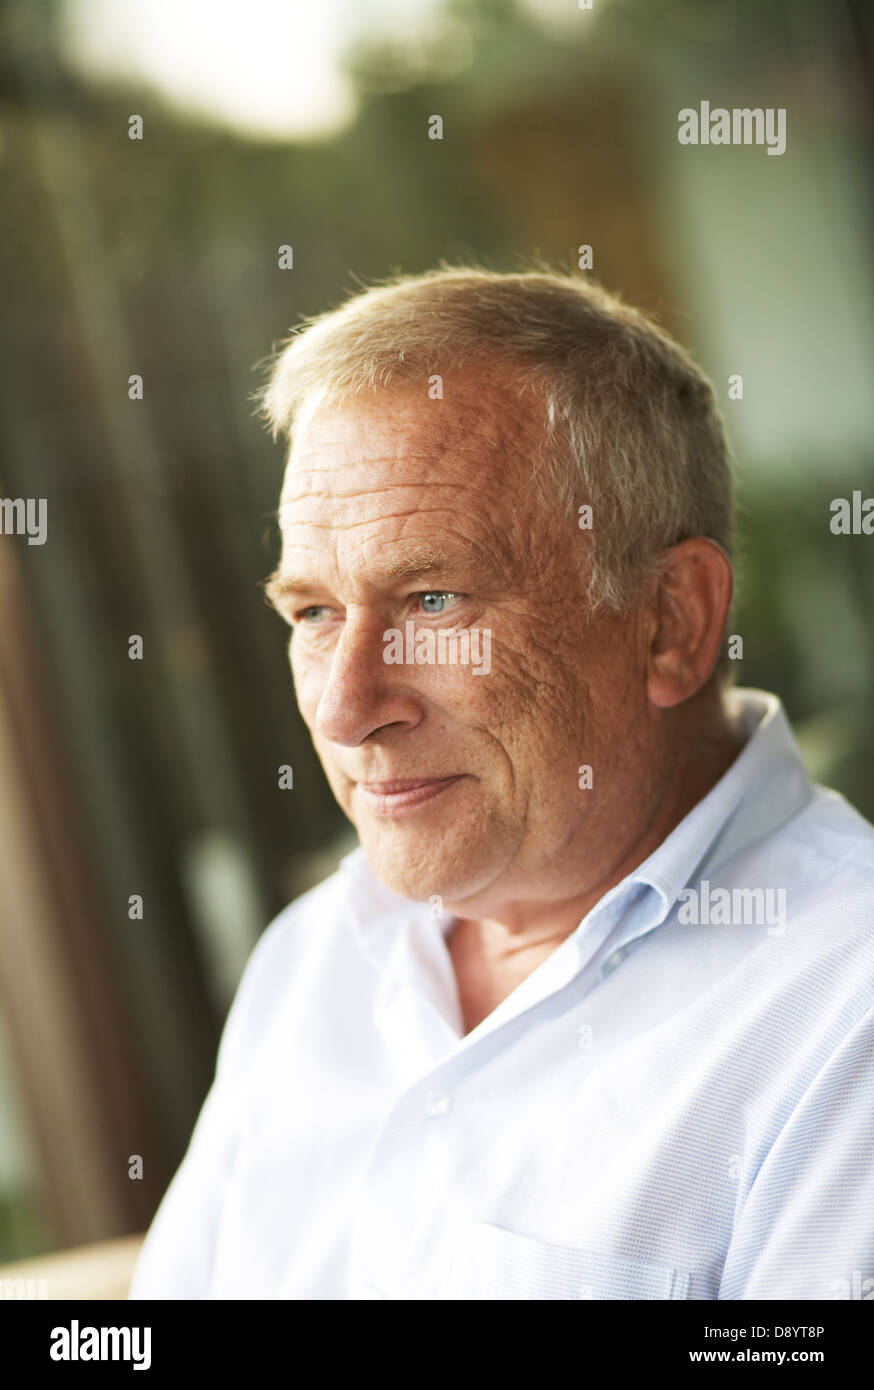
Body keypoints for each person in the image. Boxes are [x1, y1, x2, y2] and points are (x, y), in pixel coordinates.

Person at [129, 268, 874, 1300]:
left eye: (433, 599)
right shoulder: (314, 957)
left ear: (671, 620)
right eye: (312, 612)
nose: (346, 710)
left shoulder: (846, 1009)